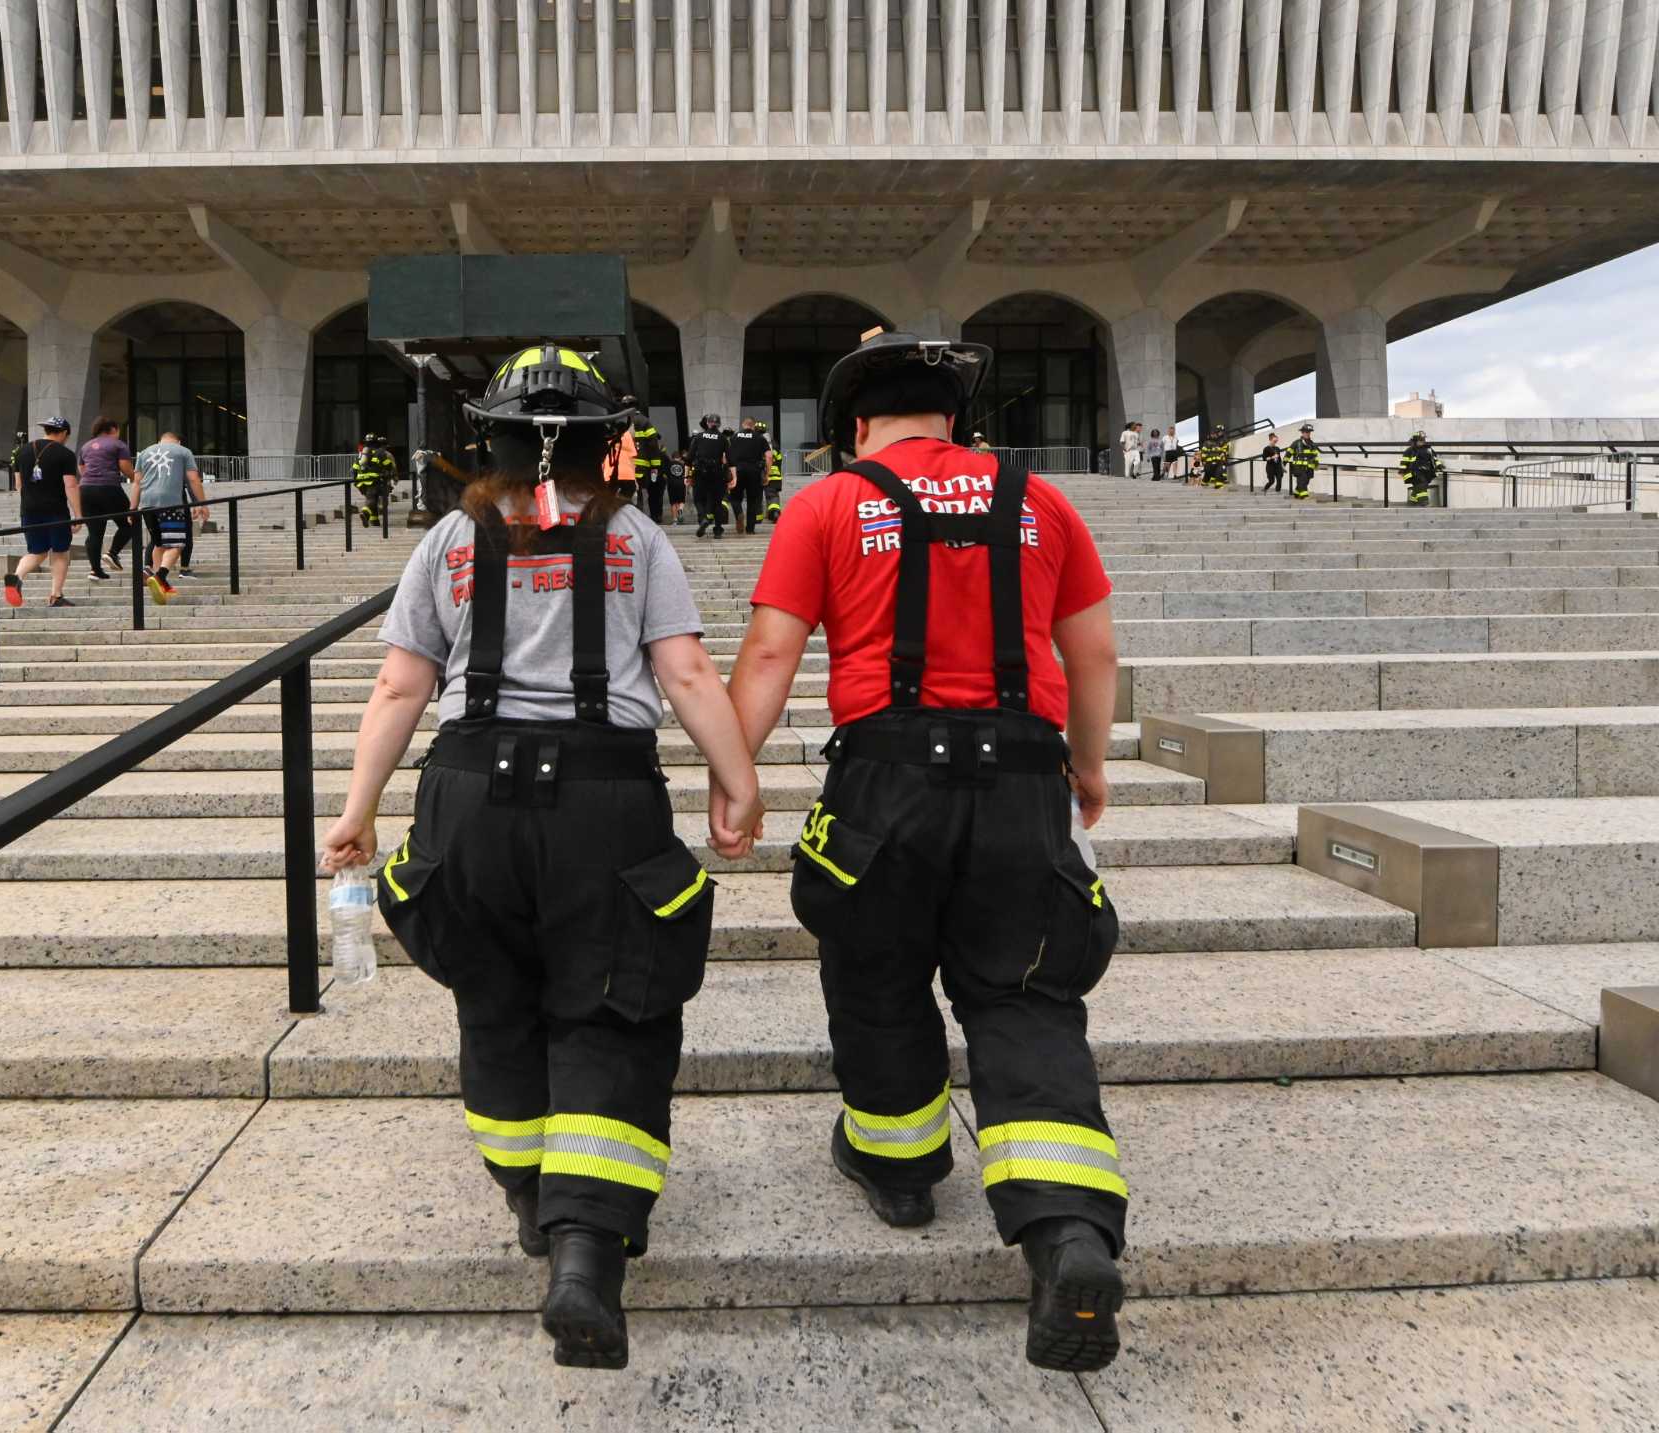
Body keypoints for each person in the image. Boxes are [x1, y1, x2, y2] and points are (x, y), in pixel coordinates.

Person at [320, 342, 760, 1371]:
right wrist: (735, 776)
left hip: (467, 795)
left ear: (492, 437)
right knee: (611, 1005)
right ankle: (584, 1249)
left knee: (495, 997)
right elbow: (685, 669)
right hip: (604, 796)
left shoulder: (448, 538)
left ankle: (528, 1194)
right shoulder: (637, 538)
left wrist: (356, 808)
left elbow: (399, 686)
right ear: (608, 441)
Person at [724, 330, 1128, 1373]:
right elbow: (1090, 650)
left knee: (874, 968)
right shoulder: (1038, 501)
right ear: (954, 419)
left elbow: (772, 648)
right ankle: (1067, 1229)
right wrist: (1085, 768)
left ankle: (899, 1169)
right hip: (1020, 774)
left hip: (882, 781)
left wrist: (736, 776)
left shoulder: (825, 503)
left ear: (856, 425)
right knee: (1025, 993)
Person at [6, 417, 84, 609]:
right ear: (64, 433)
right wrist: (79, 515)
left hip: (29, 509)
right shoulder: (65, 454)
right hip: (55, 510)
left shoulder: (22, 452)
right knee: (60, 551)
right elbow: (70, 485)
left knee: (37, 551)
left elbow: (18, 485)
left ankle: (17, 577)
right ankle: (56, 596)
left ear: (46, 430)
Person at [131, 430, 205, 604]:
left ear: (160, 440)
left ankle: (159, 583)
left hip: (147, 504)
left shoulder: (146, 452)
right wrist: (202, 504)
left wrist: (133, 508)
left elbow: (136, 482)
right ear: (178, 441)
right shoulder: (183, 451)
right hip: (171, 503)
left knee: (159, 544)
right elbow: (194, 480)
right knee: (177, 544)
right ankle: (161, 575)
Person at [76, 418, 136, 580]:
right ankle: (112, 553)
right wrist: (137, 479)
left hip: (86, 490)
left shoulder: (86, 446)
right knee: (130, 523)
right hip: (109, 488)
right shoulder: (118, 445)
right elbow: (125, 468)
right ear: (114, 429)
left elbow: (82, 468)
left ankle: (95, 570)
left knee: (95, 532)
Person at [688, 413, 731, 539]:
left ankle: (703, 519)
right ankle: (717, 530)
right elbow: (730, 459)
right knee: (717, 502)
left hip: (701, 473)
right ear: (719, 424)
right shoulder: (723, 439)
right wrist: (732, 476)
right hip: (717, 474)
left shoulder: (698, 437)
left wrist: (687, 476)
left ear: (708, 423)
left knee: (698, 499)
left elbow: (689, 458)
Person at [726, 417, 771, 535]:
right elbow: (769, 456)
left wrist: (728, 472)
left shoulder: (734, 437)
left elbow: (726, 455)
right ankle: (750, 529)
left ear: (743, 424)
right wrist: (767, 474)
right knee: (753, 501)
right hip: (754, 472)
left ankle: (739, 514)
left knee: (735, 498)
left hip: (738, 471)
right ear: (753, 425)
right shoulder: (760, 438)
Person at [353, 433, 397, 528]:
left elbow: (354, 467)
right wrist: (391, 475)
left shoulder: (362, 453)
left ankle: (374, 520)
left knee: (372, 498)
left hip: (361, 480)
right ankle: (365, 512)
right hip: (374, 480)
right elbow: (388, 465)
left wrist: (355, 481)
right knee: (372, 498)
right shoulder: (380, 452)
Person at [1401, 429, 1443, 506]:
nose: (1422, 441)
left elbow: (1434, 458)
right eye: (1420, 440)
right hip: (1414, 472)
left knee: (1420, 486)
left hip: (1427, 472)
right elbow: (1404, 462)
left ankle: (1412, 500)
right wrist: (1402, 470)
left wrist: (1439, 465)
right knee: (1421, 484)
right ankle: (1424, 501)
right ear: (1415, 441)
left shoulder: (1429, 449)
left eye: (1423, 440)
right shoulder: (1410, 450)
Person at [1287, 423, 1321, 500]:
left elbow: (1315, 455)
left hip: (1309, 467)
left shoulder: (1312, 444)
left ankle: (1296, 492)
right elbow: (1289, 452)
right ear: (1302, 433)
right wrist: (1284, 463)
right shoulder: (1296, 443)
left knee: (1306, 481)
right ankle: (1304, 495)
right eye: (1306, 432)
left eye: (1309, 432)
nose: (1307, 433)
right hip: (1299, 467)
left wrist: (1316, 464)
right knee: (1302, 479)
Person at [662, 449, 690, 525]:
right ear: (680, 458)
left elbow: (664, 475)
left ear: (672, 457)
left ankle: (675, 520)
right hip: (681, 484)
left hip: (671, 484)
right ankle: (680, 509)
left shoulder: (669, 464)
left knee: (673, 503)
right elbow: (687, 475)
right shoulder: (683, 465)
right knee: (681, 501)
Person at [1200, 424, 1230, 489]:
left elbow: (1222, 451)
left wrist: (1223, 456)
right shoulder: (1207, 443)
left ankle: (1218, 485)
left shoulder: (1220, 442)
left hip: (1218, 461)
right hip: (1209, 462)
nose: (1215, 435)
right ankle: (1204, 482)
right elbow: (1203, 452)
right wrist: (1203, 460)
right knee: (1208, 473)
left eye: (1215, 434)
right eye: (1214, 434)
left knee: (1219, 472)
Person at [763, 439, 786, 523]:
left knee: (760, 497)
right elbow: (779, 462)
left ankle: (761, 517)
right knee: (773, 495)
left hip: (765, 475)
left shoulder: (763, 449)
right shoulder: (776, 451)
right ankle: (775, 513)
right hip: (776, 476)